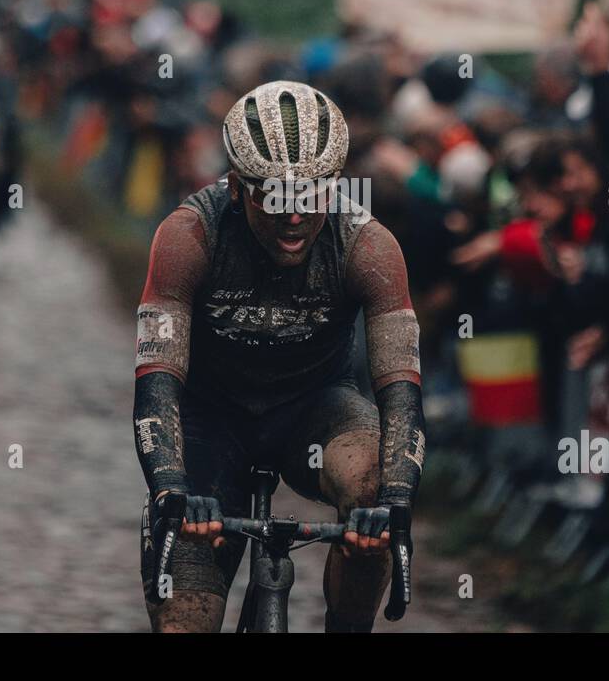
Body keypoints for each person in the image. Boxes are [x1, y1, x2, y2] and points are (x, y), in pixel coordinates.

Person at [132, 81, 425, 632]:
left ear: (334, 185)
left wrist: (395, 502)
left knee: (372, 486)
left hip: (314, 412)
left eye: (310, 195)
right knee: (186, 622)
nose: (293, 216)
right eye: (272, 196)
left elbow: (401, 393)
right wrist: (171, 486)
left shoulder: (368, 247)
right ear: (239, 187)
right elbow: (157, 382)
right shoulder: (188, 236)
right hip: (209, 420)